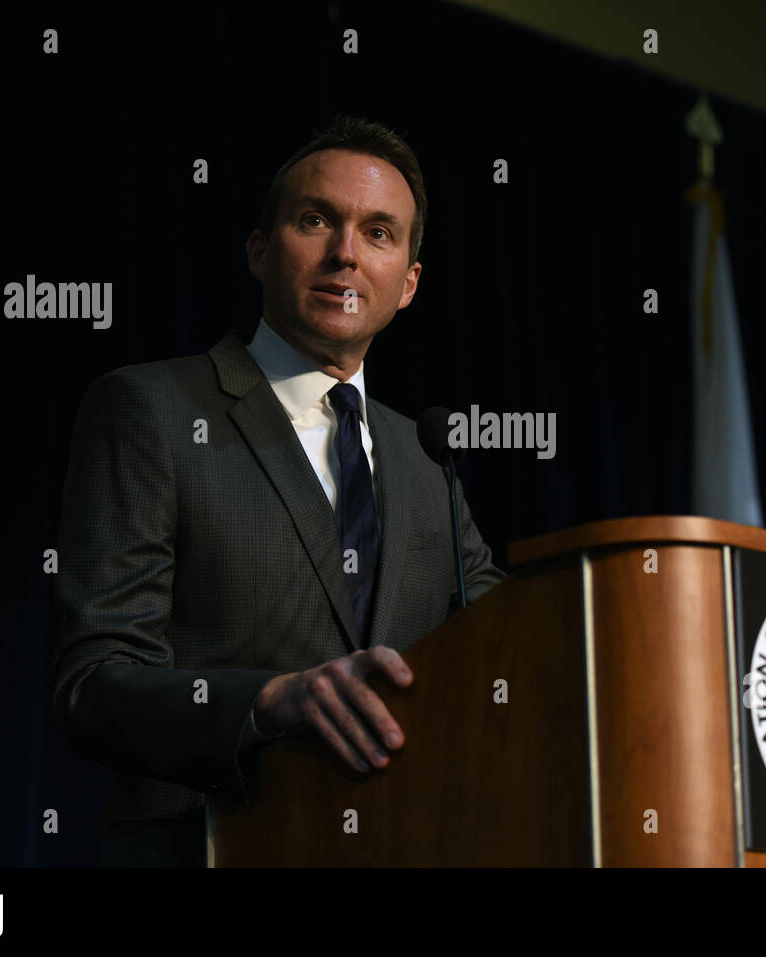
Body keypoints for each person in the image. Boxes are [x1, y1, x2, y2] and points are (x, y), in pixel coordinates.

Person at [50, 116, 505, 867]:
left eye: (380, 233)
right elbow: (92, 686)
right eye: (316, 219)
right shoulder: (151, 411)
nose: (346, 253)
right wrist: (269, 701)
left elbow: (511, 639)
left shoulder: (427, 461)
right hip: (212, 846)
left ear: (410, 285)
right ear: (260, 251)